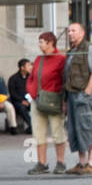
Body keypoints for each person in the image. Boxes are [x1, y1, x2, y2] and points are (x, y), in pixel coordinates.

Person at [26, 32, 68, 174]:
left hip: (54, 99)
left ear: (50, 43)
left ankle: (60, 162)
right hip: (37, 99)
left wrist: (63, 99)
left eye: (42, 42)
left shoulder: (61, 59)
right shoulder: (39, 59)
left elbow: (65, 80)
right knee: (38, 133)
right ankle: (41, 163)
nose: (39, 44)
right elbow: (32, 78)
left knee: (58, 131)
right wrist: (32, 92)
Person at [62, 22, 92, 175]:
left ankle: (91, 163)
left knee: (86, 127)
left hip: (82, 94)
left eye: (73, 30)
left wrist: (87, 92)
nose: (70, 33)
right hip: (71, 94)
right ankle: (81, 162)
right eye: (69, 30)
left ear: (82, 33)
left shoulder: (89, 49)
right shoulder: (71, 51)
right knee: (74, 129)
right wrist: (65, 100)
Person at [7, 58, 33, 134]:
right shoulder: (13, 78)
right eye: (28, 65)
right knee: (22, 107)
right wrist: (22, 100)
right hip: (17, 101)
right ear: (22, 67)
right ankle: (32, 125)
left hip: (29, 100)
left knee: (37, 106)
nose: (30, 67)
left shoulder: (31, 77)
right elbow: (12, 93)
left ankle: (33, 126)